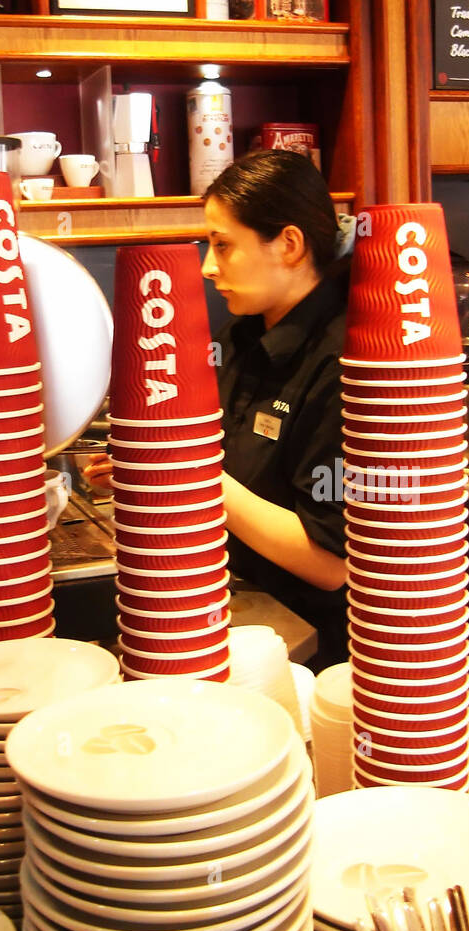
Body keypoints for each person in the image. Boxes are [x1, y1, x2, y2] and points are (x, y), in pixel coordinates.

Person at [87, 150, 351, 667]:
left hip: (307, 652)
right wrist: (146, 474)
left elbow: (331, 563)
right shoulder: (241, 335)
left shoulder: (341, 363)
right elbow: (213, 462)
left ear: (290, 244)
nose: (208, 267)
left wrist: (186, 475)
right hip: (235, 611)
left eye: (222, 245)